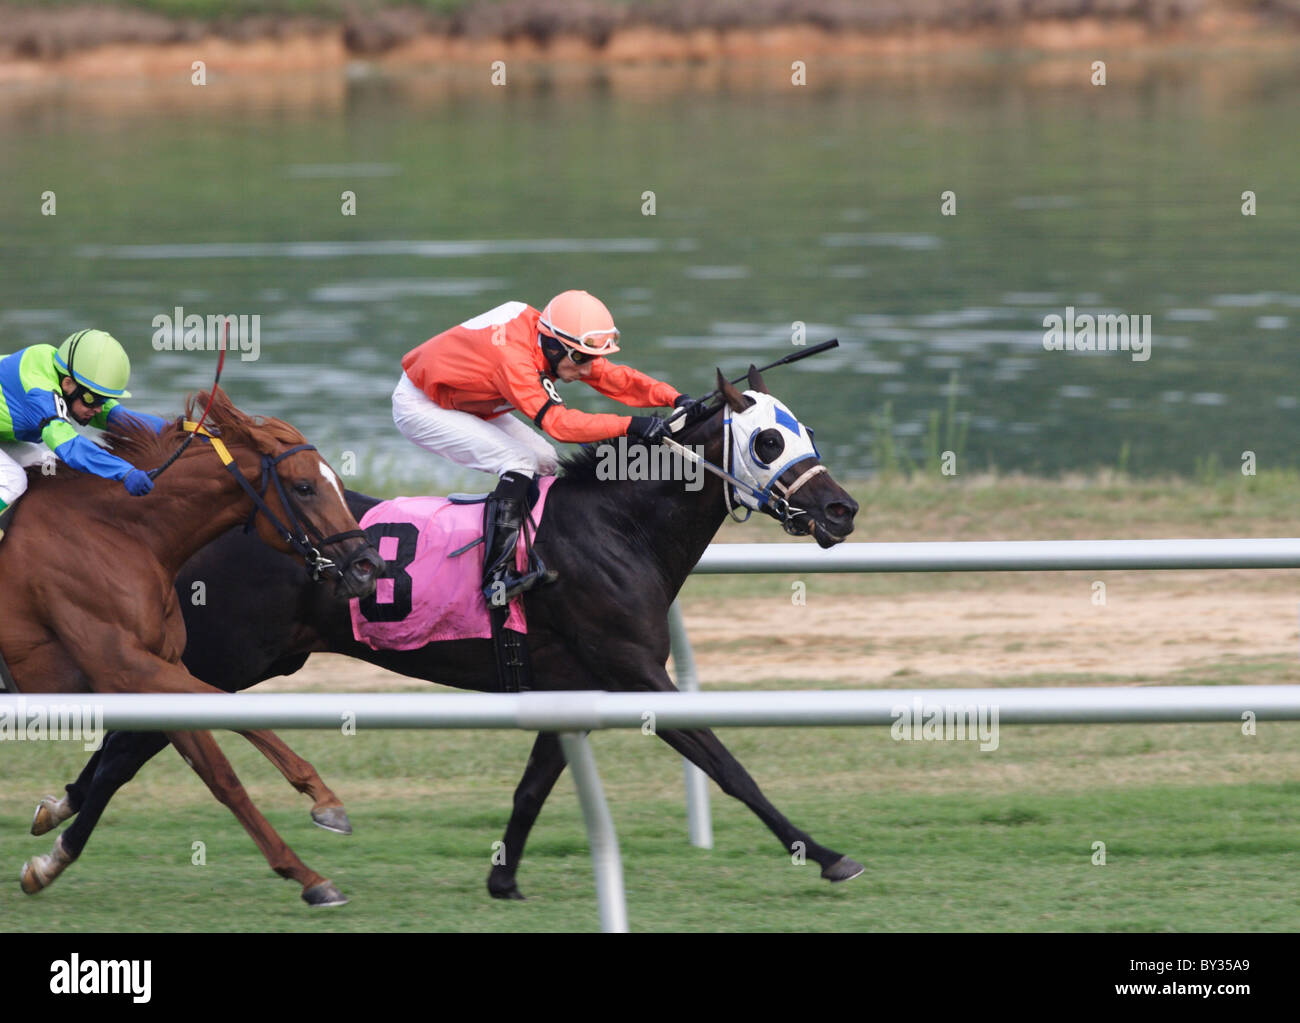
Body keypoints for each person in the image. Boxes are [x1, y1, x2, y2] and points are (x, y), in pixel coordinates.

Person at [395, 290, 702, 601]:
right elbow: (560, 425)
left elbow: (613, 378)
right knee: (518, 462)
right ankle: (495, 578)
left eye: (590, 358)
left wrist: (674, 397)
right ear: (554, 346)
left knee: (544, 461)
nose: (587, 370)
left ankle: (530, 549)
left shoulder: (550, 339)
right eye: (581, 359)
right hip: (423, 405)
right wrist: (630, 425)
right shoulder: (514, 359)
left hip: (469, 400)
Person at [0, 330, 169, 544]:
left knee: (49, 468)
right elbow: (69, 447)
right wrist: (124, 472)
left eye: (103, 400)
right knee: (13, 481)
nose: (98, 408)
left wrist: (180, 428)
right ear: (68, 384)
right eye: (93, 399)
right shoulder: (40, 391)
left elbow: (120, 418)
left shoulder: (67, 380)